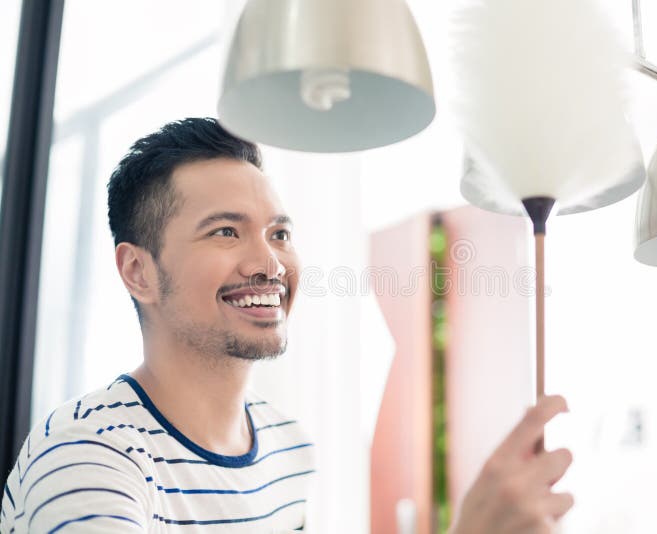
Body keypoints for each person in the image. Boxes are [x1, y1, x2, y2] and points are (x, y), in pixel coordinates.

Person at [0, 118, 573, 533]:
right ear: (138, 271)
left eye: (279, 233)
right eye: (226, 231)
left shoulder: (286, 446)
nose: (270, 264)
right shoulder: (90, 457)